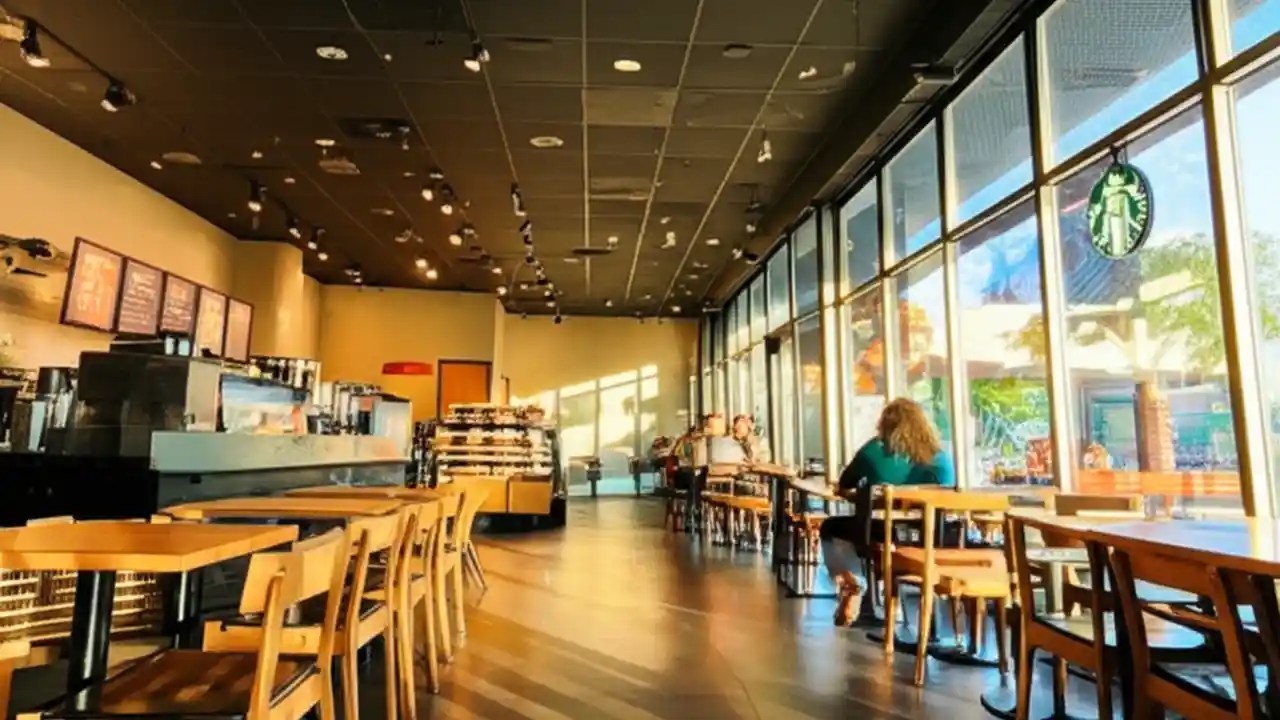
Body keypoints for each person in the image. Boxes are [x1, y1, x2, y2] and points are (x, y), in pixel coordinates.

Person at [819, 398, 955, 626]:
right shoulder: (941, 457)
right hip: (936, 535)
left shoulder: (875, 450)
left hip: (883, 529)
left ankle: (853, 582)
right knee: (886, 541)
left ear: (885, 423)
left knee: (831, 527)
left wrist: (861, 494)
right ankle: (894, 603)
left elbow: (844, 483)